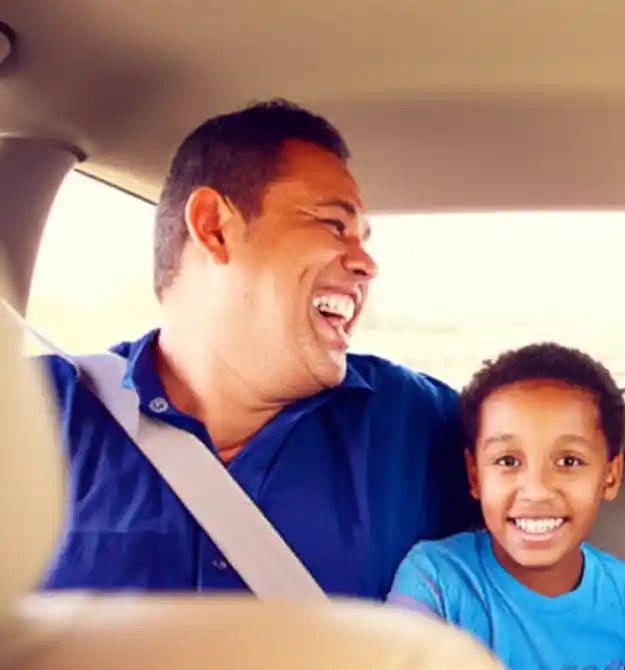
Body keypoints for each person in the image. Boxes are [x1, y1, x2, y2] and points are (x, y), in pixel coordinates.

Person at [39, 99, 477, 598]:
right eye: (334, 225)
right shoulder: (30, 413)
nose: (366, 263)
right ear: (214, 226)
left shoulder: (420, 426)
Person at [387, 343, 625, 670]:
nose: (537, 490)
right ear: (475, 475)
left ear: (611, 474)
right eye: (508, 461)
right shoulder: (434, 580)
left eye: (568, 461)